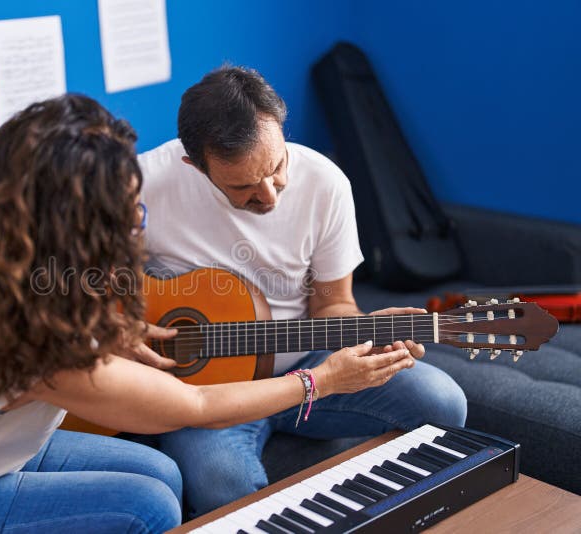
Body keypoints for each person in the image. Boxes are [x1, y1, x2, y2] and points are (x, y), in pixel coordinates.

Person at [0, 94, 415, 533]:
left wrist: (112, 334)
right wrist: (324, 379)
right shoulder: (41, 343)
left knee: (164, 472)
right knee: (147, 507)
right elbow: (195, 404)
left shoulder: (9, 268)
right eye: (125, 210)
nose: (136, 222)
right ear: (75, 227)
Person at [136, 66, 468, 517]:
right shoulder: (143, 185)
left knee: (442, 402)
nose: (270, 196)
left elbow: (333, 302)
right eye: (244, 187)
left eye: (276, 167)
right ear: (194, 165)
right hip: (208, 392)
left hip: (309, 363)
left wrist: (367, 331)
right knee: (222, 483)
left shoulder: (326, 184)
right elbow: (86, 281)